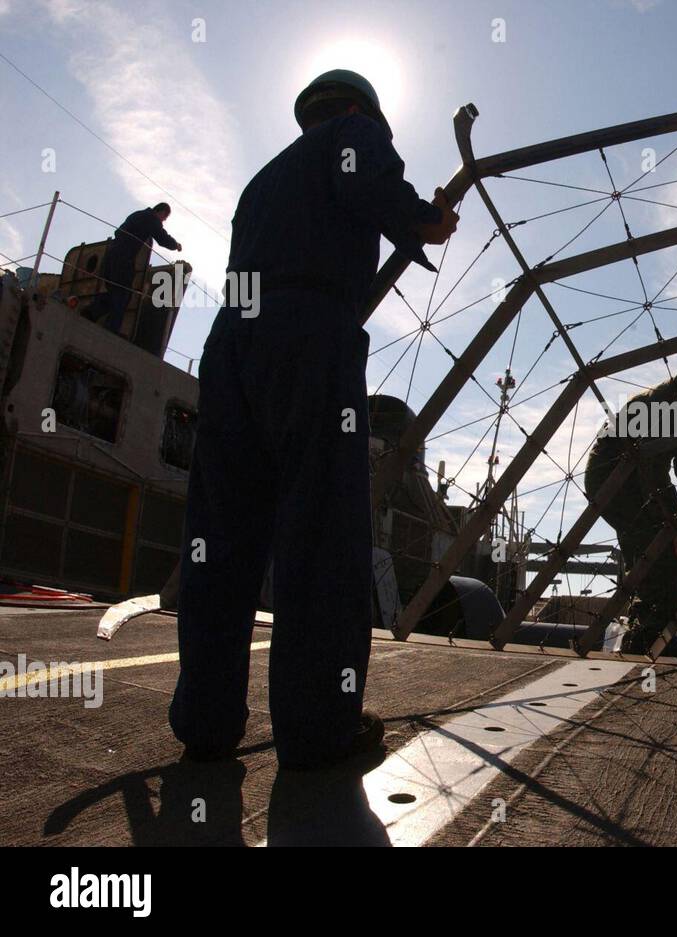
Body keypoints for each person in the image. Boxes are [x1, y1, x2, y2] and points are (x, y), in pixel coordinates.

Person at [169, 69, 458, 769]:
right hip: (308, 338)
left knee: (222, 538)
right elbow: (365, 179)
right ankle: (319, 726)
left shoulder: (264, 181)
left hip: (233, 347)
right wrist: (425, 220)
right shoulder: (351, 133)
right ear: (359, 112)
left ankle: (205, 723)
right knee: (322, 533)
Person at [583, 343, 677, 654]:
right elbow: (650, 473)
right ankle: (644, 636)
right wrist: (676, 527)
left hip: (641, 479)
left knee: (663, 553)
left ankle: (649, 633)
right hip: (614, 481)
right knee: (659, 552)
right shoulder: (660, 403)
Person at [100, 203, 182, 336]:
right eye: (165, 217)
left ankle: (92, 312)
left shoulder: (137, 214)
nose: (164, 220)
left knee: (114, 291)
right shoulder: (151, 219)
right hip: (124, 259)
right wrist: (176, 245)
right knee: (123, 294)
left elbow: (119, 231)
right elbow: (162, 238)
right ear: (160, 212)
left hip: (111, 254)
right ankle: (111, 329)